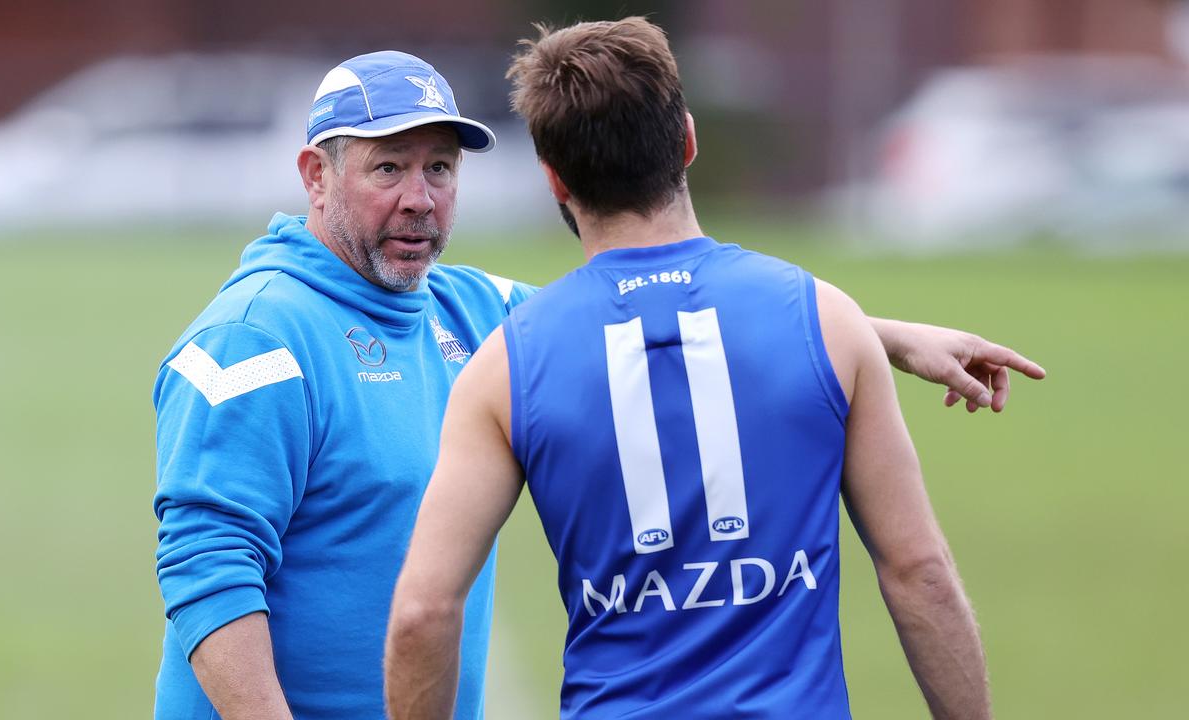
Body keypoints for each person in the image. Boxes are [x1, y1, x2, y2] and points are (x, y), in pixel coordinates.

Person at [155, 49, 1039, 720]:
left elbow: (648, 326)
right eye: (388, 169)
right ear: (316, 175)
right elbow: (208, 574)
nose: (421, 199)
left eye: (441, 169)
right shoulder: (253, 340)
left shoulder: (467, 311)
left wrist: (889, 339)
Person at [385, 19, 1011, 719]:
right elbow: (919, 574)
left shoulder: (507, 364)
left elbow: (423, 612)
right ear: (686, 139)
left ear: (555, 180)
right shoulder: (826, 323)